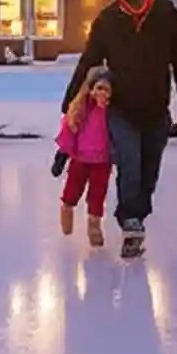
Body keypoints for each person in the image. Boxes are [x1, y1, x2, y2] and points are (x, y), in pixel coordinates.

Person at [61, 0, 177, 258]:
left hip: (156, 108)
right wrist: (72, 102)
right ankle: (130, 222)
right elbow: (89, 62)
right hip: (121, 108)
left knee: (150, 169)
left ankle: (138, 216)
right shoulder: (108, 19)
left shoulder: (166, 14)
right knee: (130, 164)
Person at [55, 66, 114, 247]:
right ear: (90, 88)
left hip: (102, 161)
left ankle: (94, 226)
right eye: (98, 88)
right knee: (72, 189)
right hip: (80, 158)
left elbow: (119, 134)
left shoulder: (113, 112)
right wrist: (62, 154)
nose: (101, 93)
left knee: (97, 194)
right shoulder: (81, 108)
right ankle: (67, 210)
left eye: (106, 89)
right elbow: (69, 130)